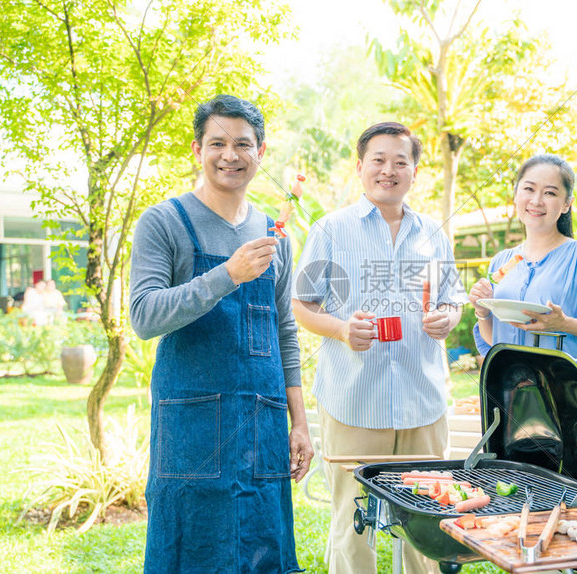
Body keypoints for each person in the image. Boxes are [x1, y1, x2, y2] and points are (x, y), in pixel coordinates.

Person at [129, 94, 312, 574]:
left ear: (261, 152)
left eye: (242, 144)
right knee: (192, 548)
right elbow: (145, 316)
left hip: (263, 424)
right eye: (217, 143)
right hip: (192, 427)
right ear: (197, 149)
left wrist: (300, 421)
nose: (230, 155)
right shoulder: (163, 222)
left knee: (263, 545)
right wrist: (227, 274)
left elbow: (284, 330)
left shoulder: (275, 234)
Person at [292, 122, 465, 574]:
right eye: (379, 160)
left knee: (428, 519)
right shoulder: (330, 230)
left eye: (400, 161)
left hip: (422, 401)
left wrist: (448, 317)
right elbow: (301, 306)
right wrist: (341, 329)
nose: (388, 170)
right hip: (354, 400)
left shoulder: (433, 234)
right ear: (360, 167)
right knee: (354, 523)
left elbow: (453, 300)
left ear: (413, 172)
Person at [468, 154, 577, 365]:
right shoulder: (501, 262)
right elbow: (496, 341)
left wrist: (564, 323)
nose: (536, 201)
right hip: (510, 390)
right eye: (529, 189)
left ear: (566, 204)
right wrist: (482, 312)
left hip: (567, 391)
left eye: (550, 193)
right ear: (516, 195)